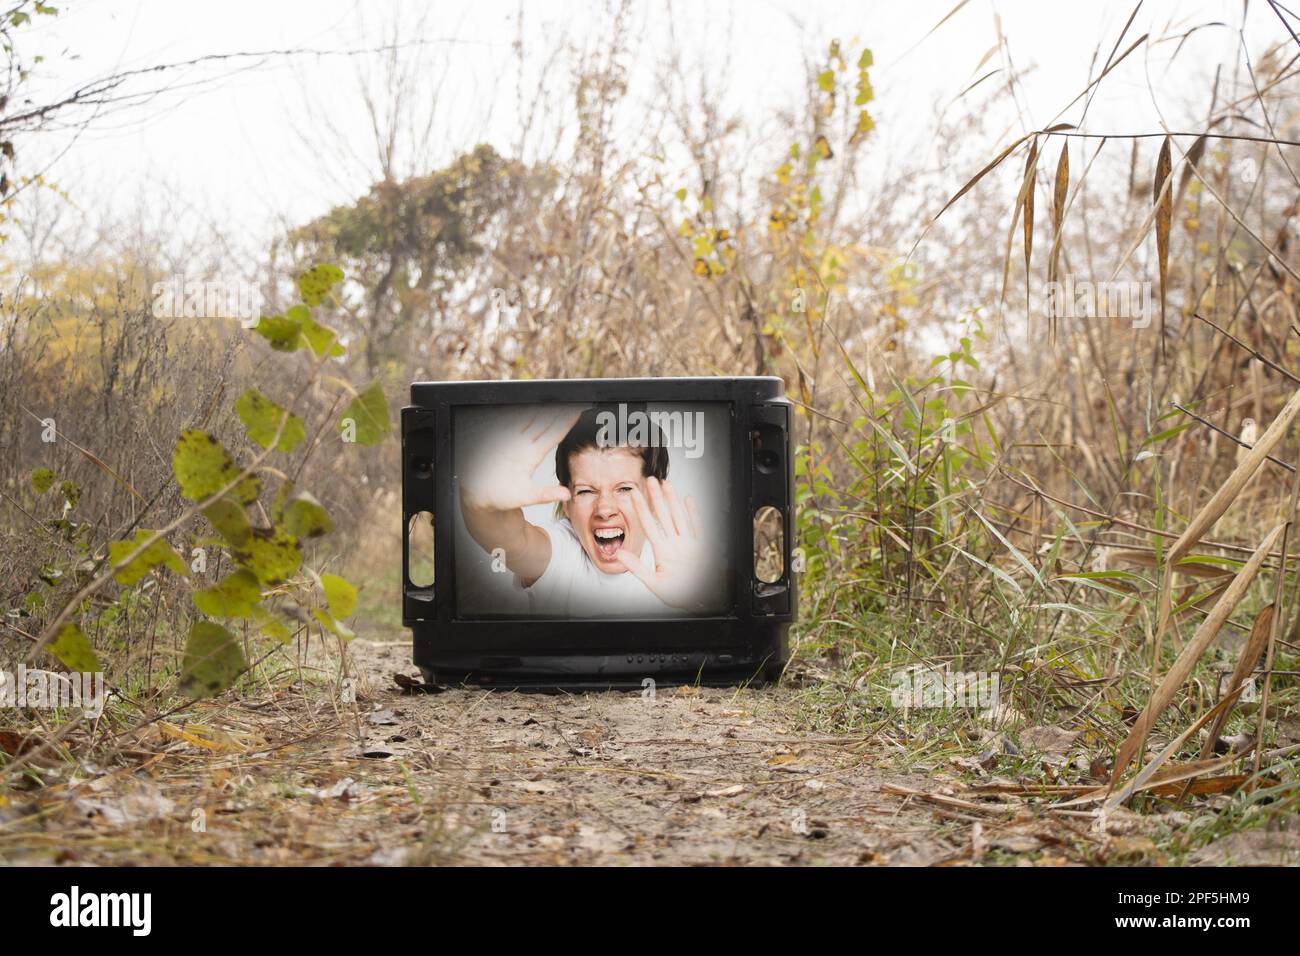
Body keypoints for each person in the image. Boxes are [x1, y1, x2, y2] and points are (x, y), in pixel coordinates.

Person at [459, 405, 713, 615]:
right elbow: (512, 541)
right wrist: (479, 503)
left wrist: (699, 594)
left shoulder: (683, 553)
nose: (604, 508)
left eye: (624, 489)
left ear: (653, 496)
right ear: (566, 504)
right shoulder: (561, 552)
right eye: (586, 491)